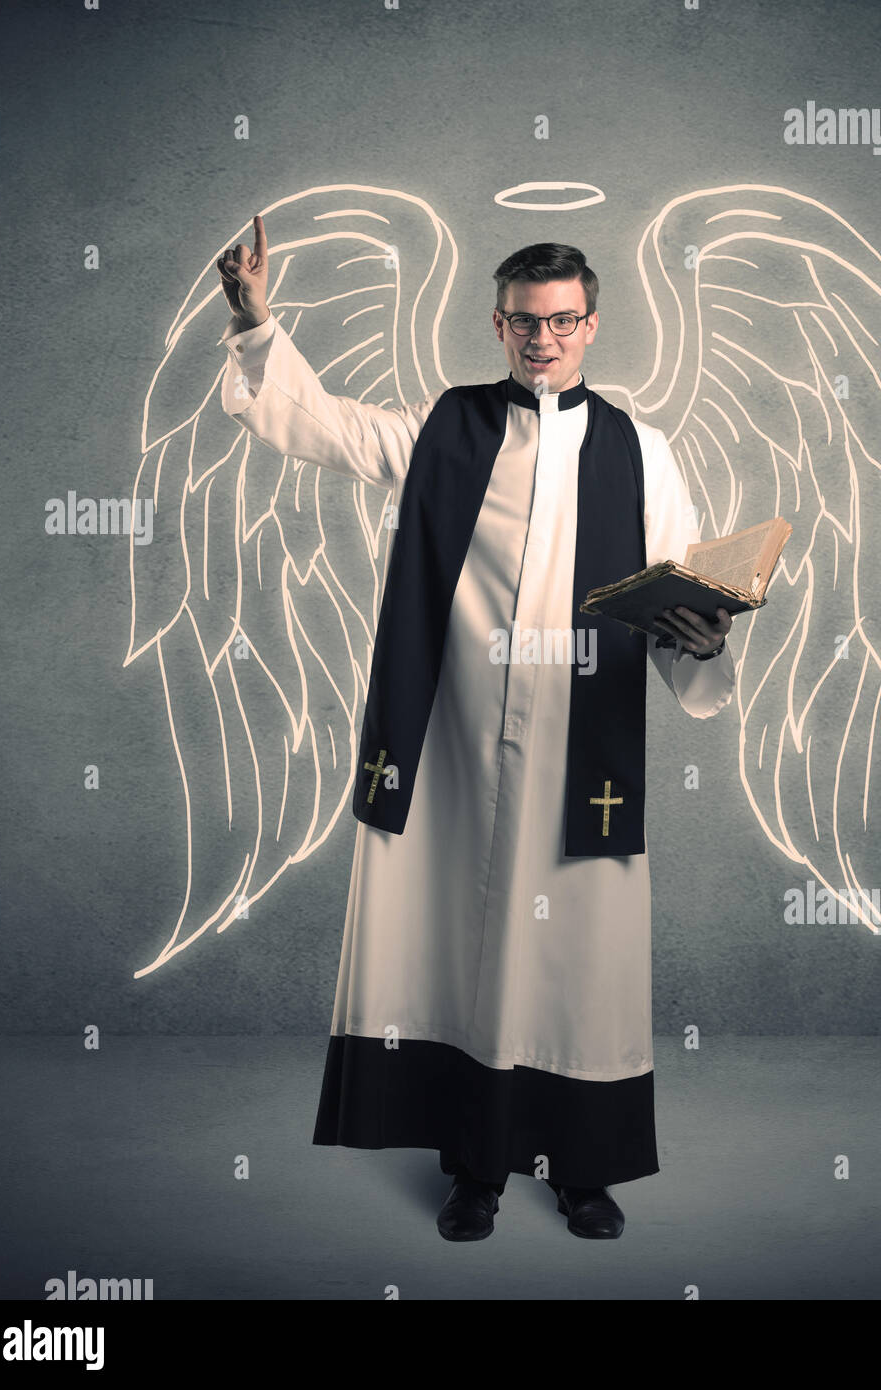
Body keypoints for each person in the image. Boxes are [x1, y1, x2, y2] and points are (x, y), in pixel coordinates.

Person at [216, 219, 736, 1241]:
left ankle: (583, 1167)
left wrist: (704, 638)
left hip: (582, 751)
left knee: (583, 952)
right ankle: (475, 1166)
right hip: (456, 741)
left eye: (564, 320)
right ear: (498, 325)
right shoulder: (444, 429)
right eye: (523, 322)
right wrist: (254, 322)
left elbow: (684, 583)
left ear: (591, 324)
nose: (543, 339)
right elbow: (317, 422)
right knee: (468, 947)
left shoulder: (641, 449)